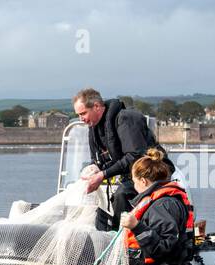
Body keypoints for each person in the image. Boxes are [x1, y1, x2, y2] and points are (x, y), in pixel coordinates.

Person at [72, 88, 170, 230]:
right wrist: (94, 168)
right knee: (96, 197)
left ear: (97, 107)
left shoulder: (126, 119)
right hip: (131, 174)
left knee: (121, 194)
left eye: (83, 113)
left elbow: (135, 155)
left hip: (153, 172)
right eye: (79, 115)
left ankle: (123, 240)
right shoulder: (94, 127)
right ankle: (103, 235)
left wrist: (103, 174)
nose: (81, 119)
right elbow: (100, 159)